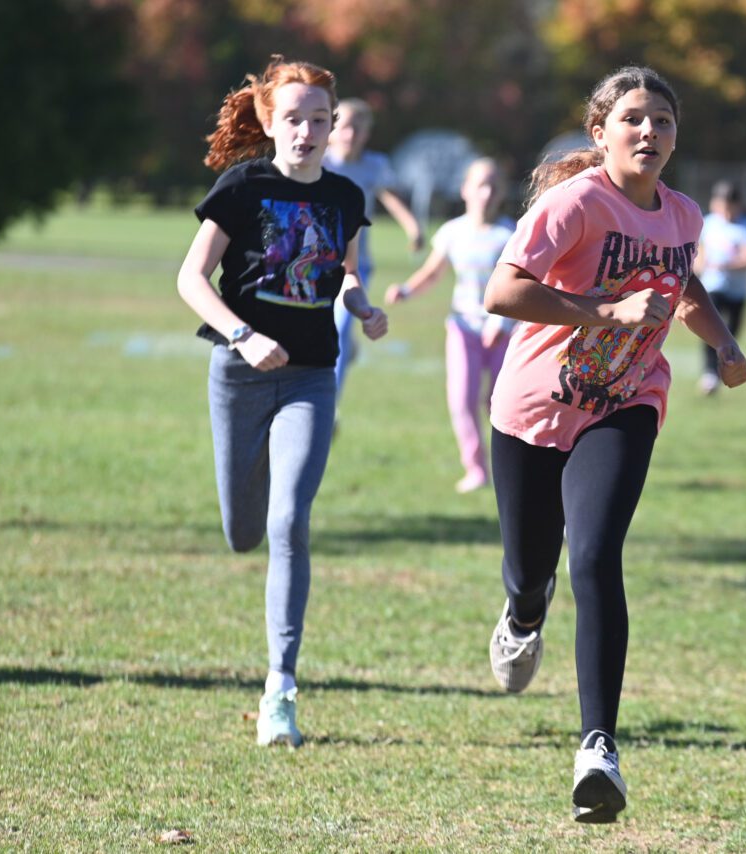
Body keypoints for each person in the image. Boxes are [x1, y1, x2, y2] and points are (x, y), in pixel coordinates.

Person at [481, 66, 746, 824]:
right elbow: (501, 293)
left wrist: (722, 345)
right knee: (531, 569)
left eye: (662, 121)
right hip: (534, 407)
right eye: (633, 118)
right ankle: (524, 614)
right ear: (600, 133)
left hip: (626, 400)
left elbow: (684, 291)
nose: (649, 133)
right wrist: (605, 312)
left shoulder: (683, 215)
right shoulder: (575, 203)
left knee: (596, 553)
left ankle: (598, 746)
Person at [176, 57, 388, 748]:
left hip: (308, 379)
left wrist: (360, 305)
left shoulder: (345, 196)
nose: (306, 132)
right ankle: (254, 488)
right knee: (245, 531)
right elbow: (189, 277)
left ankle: (280, 689)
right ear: (268, 120)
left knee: (290, 519)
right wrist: (240, 334)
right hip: (238, 376)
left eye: (319, 120)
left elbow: (346, 270)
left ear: (334, 126)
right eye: (293, 119)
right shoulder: (243, 186)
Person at [384, 158, 516, 493]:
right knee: (461, 400)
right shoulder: (453, 231)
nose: (485, 193)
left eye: (493, 186)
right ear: (465, 190)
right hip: (462, 327)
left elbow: (518, 285)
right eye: (479, 185)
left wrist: (501, 322)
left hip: (503, 331)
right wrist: (406, 290)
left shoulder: (510, 234)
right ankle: (475, 469)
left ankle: (510, 467)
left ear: (501, 193)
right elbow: (432, 272)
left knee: (499, 404)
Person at [325, 98, 424, 399]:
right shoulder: (319, 161)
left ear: (367, 132)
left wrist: (412, 226)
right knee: (325, 328)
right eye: (344, 127)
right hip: (315, 260)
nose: (351, 134)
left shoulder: (374, 165)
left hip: (355, 263)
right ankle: (346, 350)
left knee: (341, 328)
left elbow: (389, 196)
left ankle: (330, 403)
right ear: (331, 128)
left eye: (358, 128)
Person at [694, 180, 746, 395]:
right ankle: (709, 374)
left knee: (731, 332)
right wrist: (698, 269)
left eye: (729, 207)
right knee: (710, 330)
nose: (725, 212)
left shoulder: (745, 226)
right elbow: (699, 256)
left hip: (738, 290)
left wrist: (727, 265)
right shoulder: (708, 223)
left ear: (737, 206)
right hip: (713, 286)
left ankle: (720, 369)